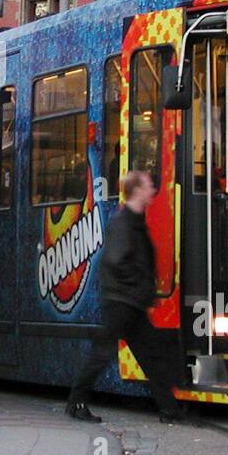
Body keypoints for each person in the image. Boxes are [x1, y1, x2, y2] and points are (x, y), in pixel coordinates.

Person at [66, 170, 185, 423]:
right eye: (148, 185)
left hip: (129, 302)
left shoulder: (134, 220)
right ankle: (76, 402)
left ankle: (169, 409)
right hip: (121, 302)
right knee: (103, 353)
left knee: (149, 354)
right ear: (137, 191)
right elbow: (116, 260)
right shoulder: (124, 223)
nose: (152, 189)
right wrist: (140, 287)